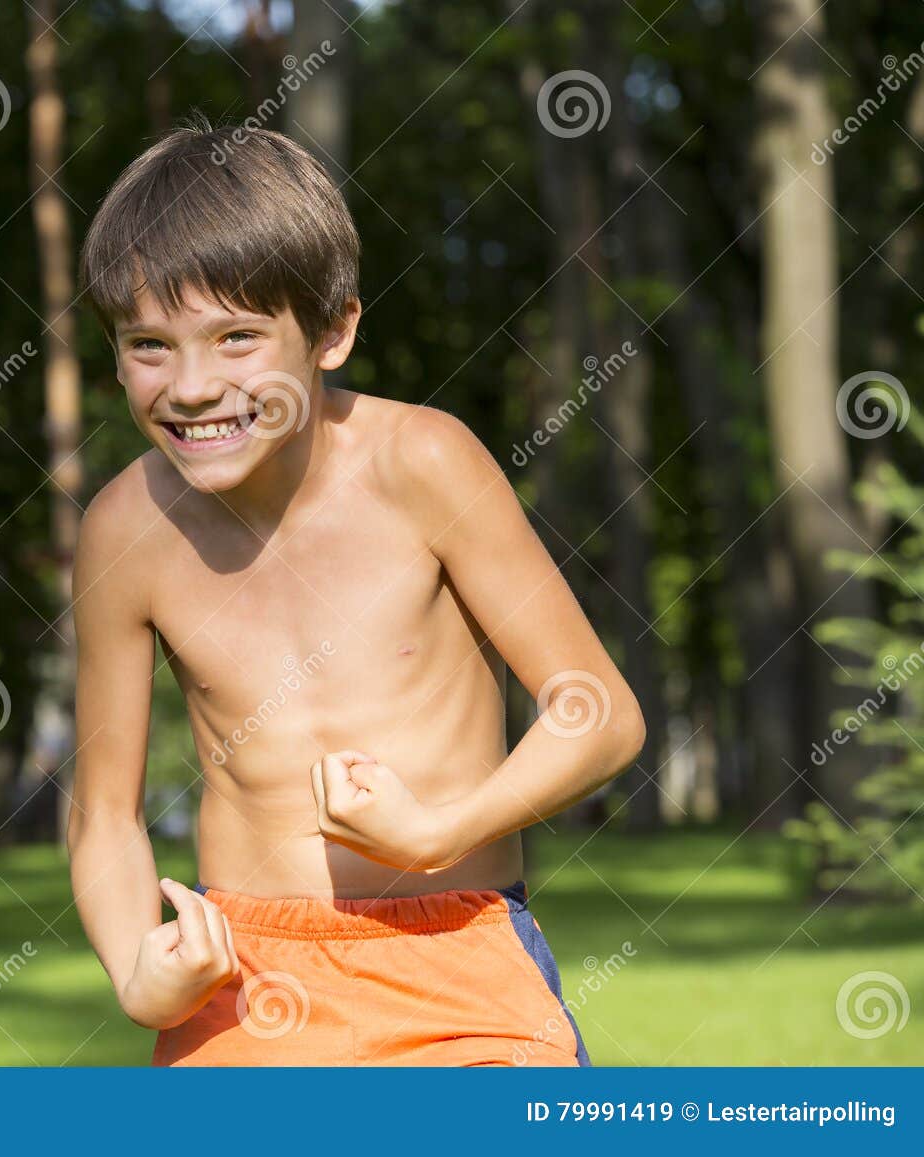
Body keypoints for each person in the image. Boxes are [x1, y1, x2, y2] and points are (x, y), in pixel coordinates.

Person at [66, 118, 645, 1066]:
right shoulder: (125, 530)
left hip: (454, 958)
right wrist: (139, 967)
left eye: (238, 338)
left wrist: (441, 832)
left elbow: (602, 714)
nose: (194, 386)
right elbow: (104, 816)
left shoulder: (424, 461)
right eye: (149, 345)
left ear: (333, 331)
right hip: (247, 981)